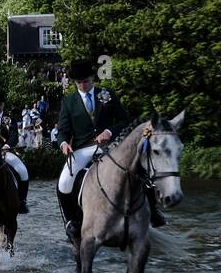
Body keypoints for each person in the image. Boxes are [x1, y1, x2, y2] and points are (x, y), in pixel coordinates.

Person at [55, 59, 166, 244]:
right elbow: (63, 130)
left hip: (111, 147)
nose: (83, 85)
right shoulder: (69, 101)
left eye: (86, 81)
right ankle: (71, 222)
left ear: (92, 78)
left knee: (141, 169)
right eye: (79, 83)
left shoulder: (106, 94)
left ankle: (154, 212)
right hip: (83, 148)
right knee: (64, 181)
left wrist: (109, 131)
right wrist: (64, 143)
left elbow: (124, 119)